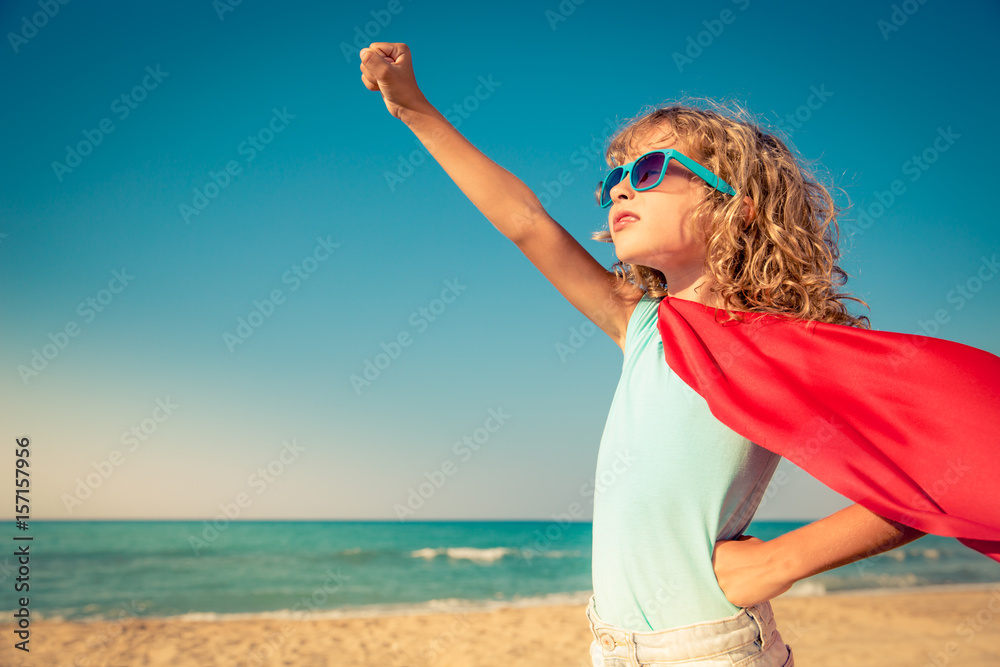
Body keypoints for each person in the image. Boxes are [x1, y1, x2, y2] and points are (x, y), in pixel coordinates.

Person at [358, 42, 934, 666]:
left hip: (707, 647)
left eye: (651, 170)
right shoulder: (645, 328)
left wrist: (782, 559)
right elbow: (524, 220)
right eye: (615, 178)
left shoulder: (785, 344)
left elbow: (941, 468)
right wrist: (415, 109)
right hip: (611, 642)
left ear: (734, 204)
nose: (621, 189)